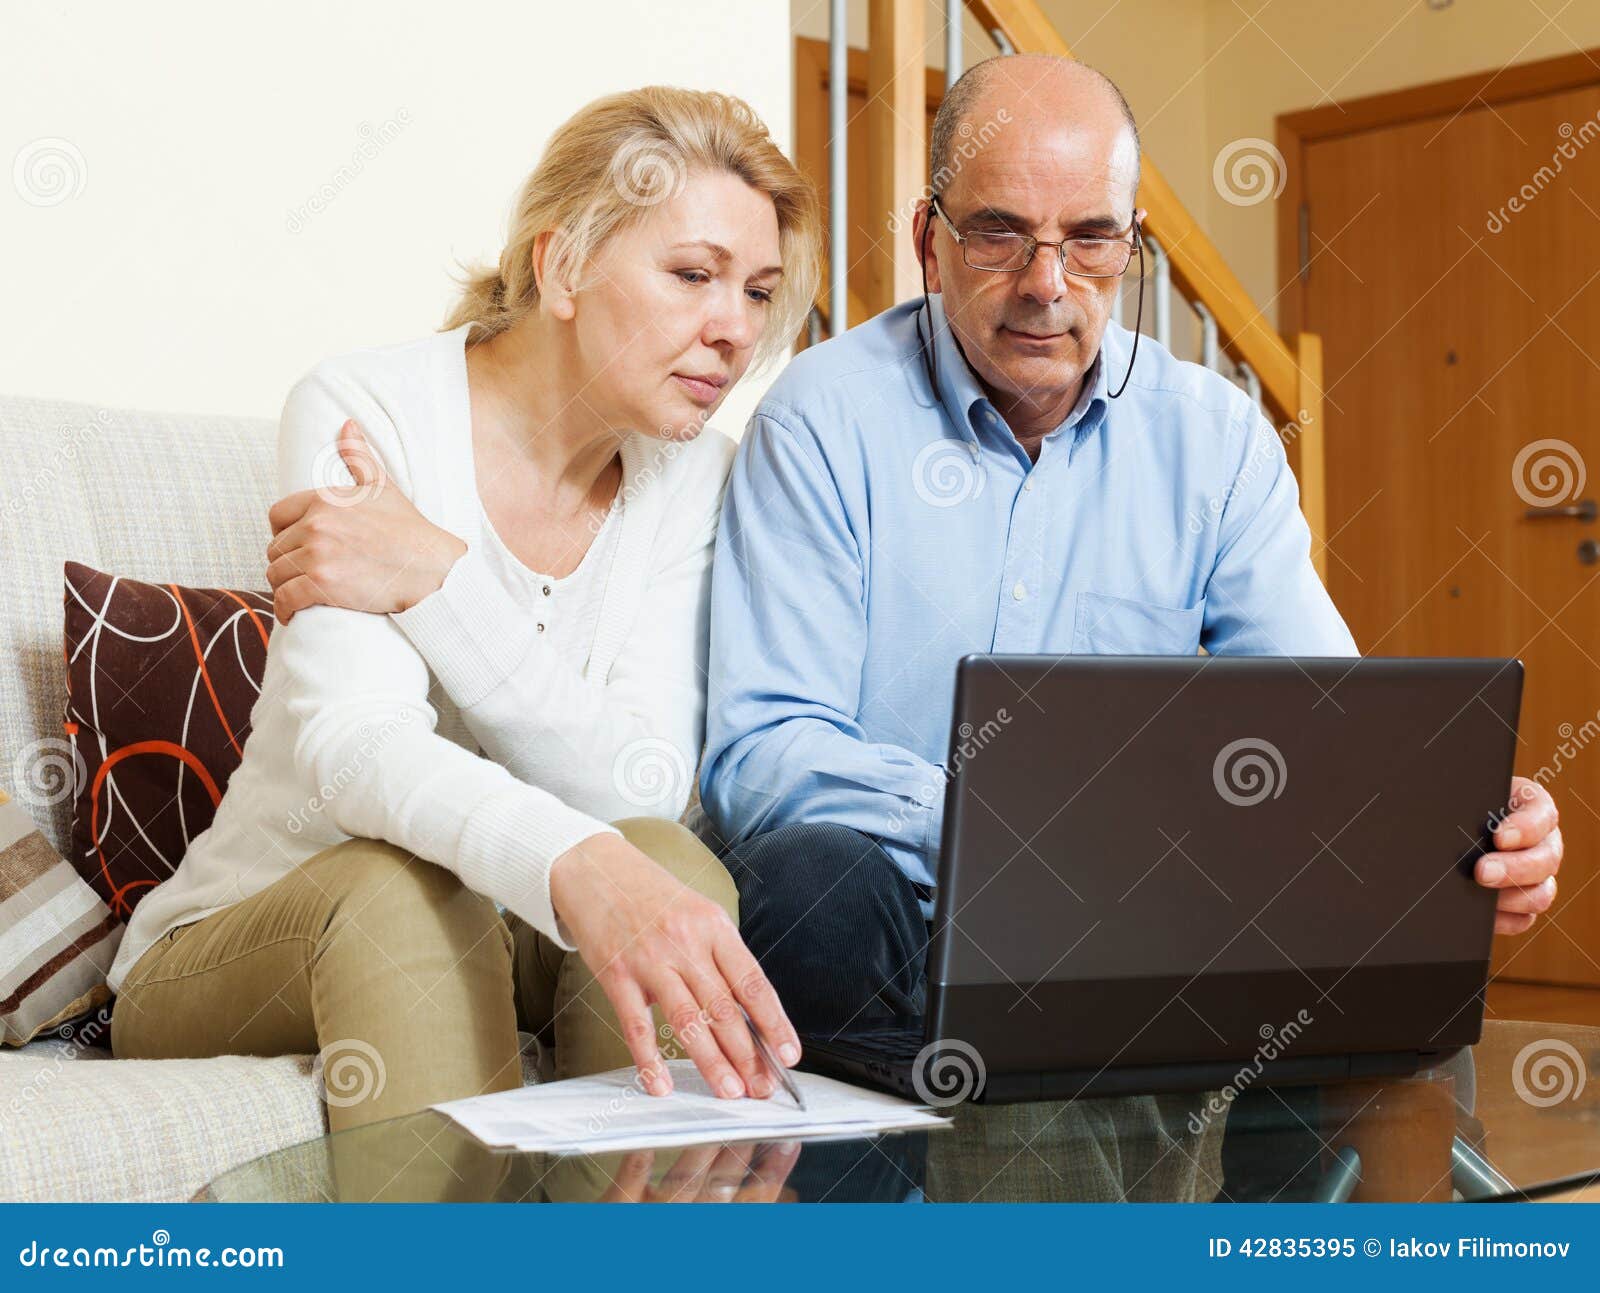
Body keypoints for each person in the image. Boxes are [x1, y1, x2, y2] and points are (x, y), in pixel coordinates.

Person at [699, 55, 1563, 1036]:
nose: (1045, 285)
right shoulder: (821, 417)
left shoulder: (1212, 437)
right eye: (998, 234)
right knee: (809, 884)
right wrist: (1024, 834)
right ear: (927, 243)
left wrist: (1466, 825)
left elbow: (1325, 723)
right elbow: (763, 757)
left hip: (1146, 919)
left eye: (1089, 240)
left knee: (1380, 917)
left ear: (1130, 246)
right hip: (902, 901)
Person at [108, 86, 821, 1129]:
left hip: (519, 925)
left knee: (669, 864)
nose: (733, 331)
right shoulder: (367, 411)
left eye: (757, 293)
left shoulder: (695, 476)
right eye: (691, 275)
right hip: (260, 932)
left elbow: (642, 783)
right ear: (564, 265)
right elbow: (356, 757)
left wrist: (438, 579)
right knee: (404, 895)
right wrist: (573, 856)